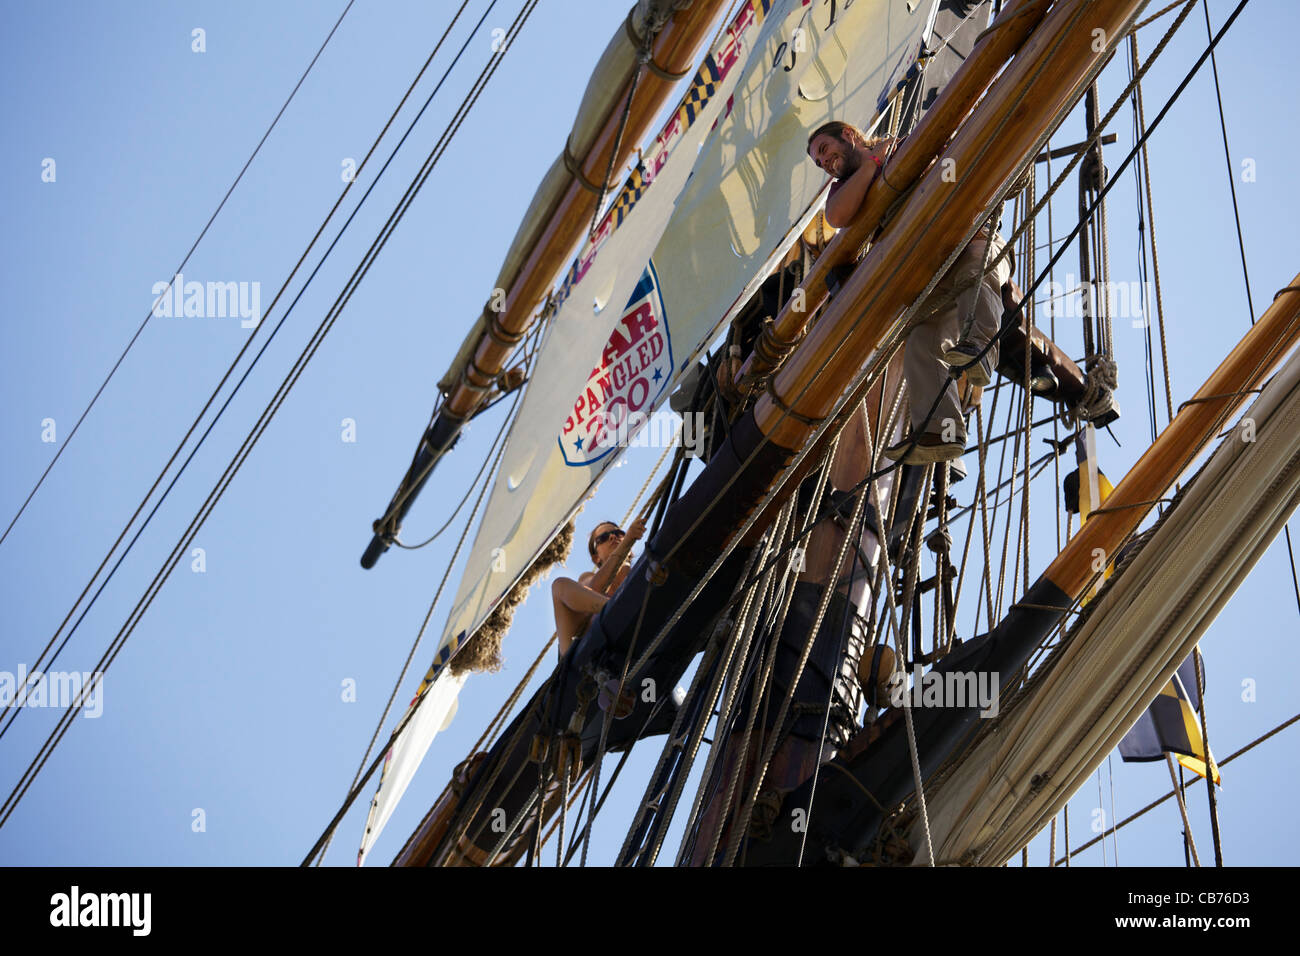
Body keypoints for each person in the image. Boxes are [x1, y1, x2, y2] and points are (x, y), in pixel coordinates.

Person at [806, 120, 1013, 464]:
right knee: (921, 341)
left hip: (969, 239)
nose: (825, 163)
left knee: (977, 274)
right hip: (930, 270)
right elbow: (838, 215)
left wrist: (887, 157)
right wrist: (873, 164)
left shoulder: (909, 143)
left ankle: (980, 351)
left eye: (825, 151)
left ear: (848, 135)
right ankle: (941, 431)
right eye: (819, 162)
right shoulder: (846, 187)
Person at [550, 517, 645, 657]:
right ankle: (566, 663)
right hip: (595, 644)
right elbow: (594, 588)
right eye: (603, 537)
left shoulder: (643, 570)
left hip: (636, 629)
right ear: (596, 558)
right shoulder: (588, 578)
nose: (612, 537)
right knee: (559, 586)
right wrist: (626, 541)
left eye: (619, 533)